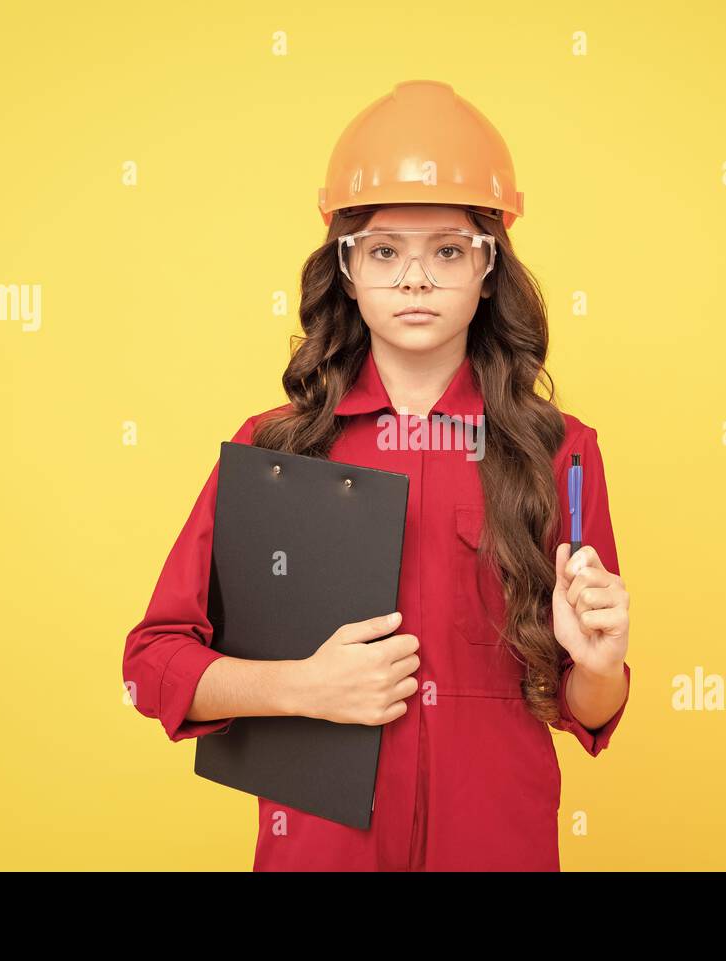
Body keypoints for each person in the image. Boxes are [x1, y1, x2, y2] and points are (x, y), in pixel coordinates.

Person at [123, 80, 632, 871]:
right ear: (347, 270)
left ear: (489, 269)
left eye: (448, 250)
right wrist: (303, 688)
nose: (416, 279)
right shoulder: (278, 451)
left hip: (499, 846)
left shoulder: (559, 452)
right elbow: (154, 663)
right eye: (385, 250)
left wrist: (599, 666)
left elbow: (586, 707)